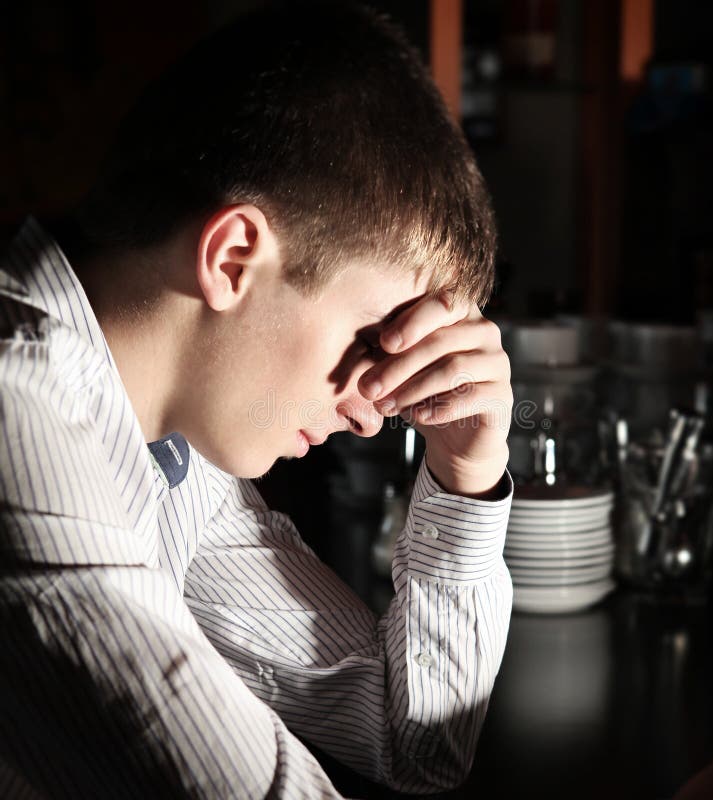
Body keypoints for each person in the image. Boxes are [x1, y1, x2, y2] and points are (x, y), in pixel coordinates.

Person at [0, 2, 514, 797]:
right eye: (371, 341)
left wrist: (465, 474)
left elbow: (411, 742)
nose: (372, 409)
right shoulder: (14, 403)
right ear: (233, 257)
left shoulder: (172, 448)